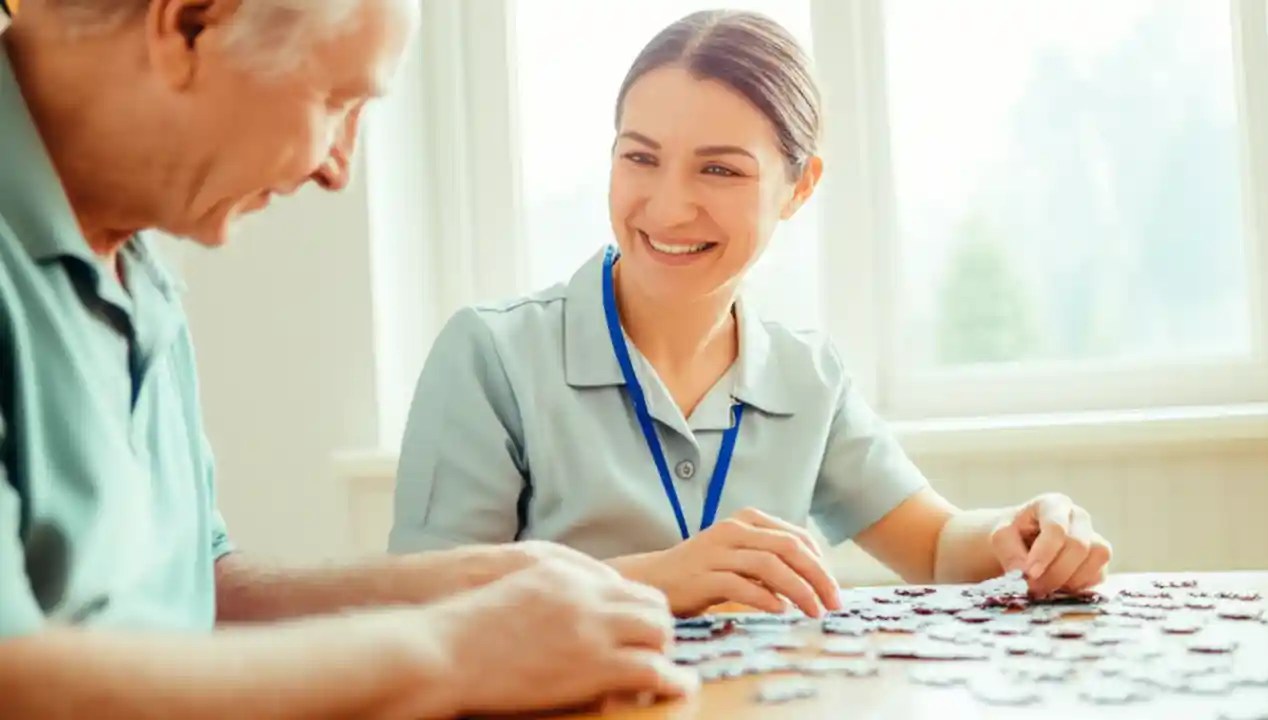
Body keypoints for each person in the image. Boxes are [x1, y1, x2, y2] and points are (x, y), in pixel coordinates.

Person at [0, 1, 694, 717]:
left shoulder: (137, 262)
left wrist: (471, 582)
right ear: (188, 27)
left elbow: (199, 591)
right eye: (335, 101)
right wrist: (451, 651)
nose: (337, 168)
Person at [390, 9, 1113, 619]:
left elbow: (932, 542)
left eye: (720, 169)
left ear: (800, 188)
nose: (669, 206)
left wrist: (1020, 533)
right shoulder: (492, 354)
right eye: (640, 158)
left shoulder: (806, 375)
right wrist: (657, 580)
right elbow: (428, 606)